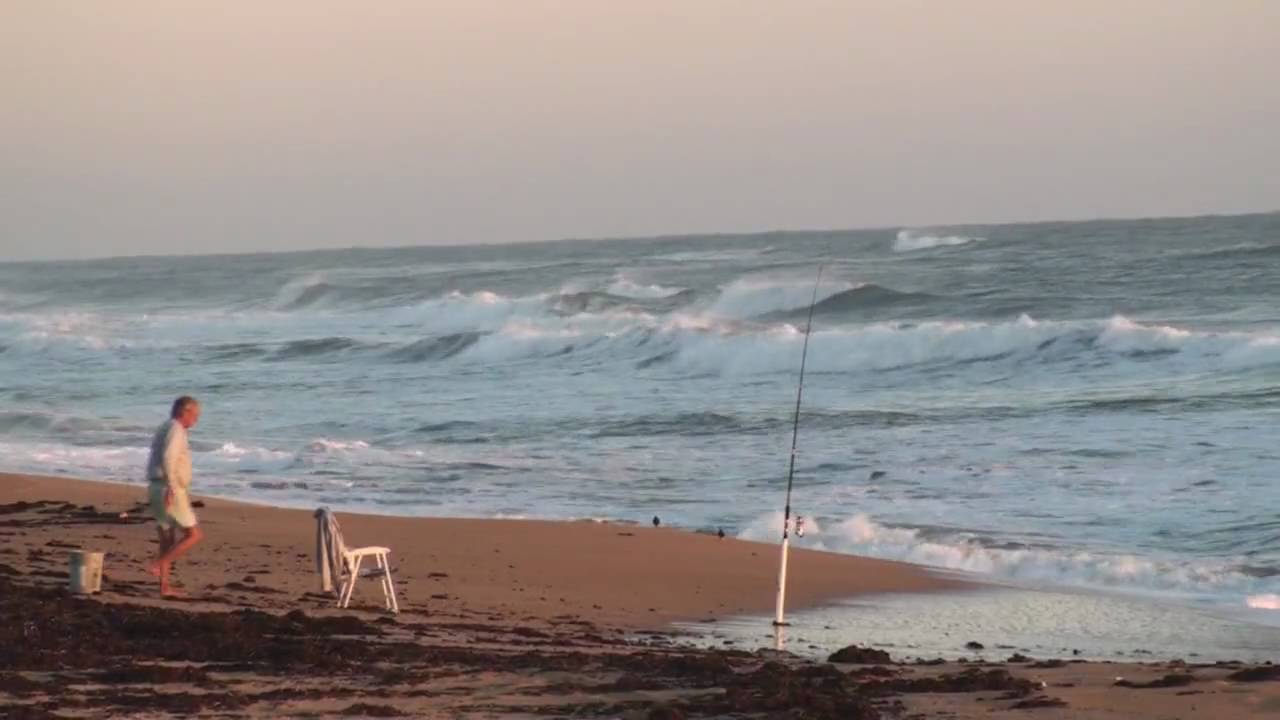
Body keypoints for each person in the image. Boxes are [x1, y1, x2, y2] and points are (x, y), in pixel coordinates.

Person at [145, 395, 205, 596]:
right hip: (168, 487)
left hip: (155, 486)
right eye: (195, 415)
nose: (196, 420)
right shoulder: (176, 429)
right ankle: (158, 564)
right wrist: (171, 484)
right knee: (194, 534)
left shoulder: (165, 426)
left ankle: (164, 586)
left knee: (167, 538)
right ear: (185, 411)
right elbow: (168, 456)